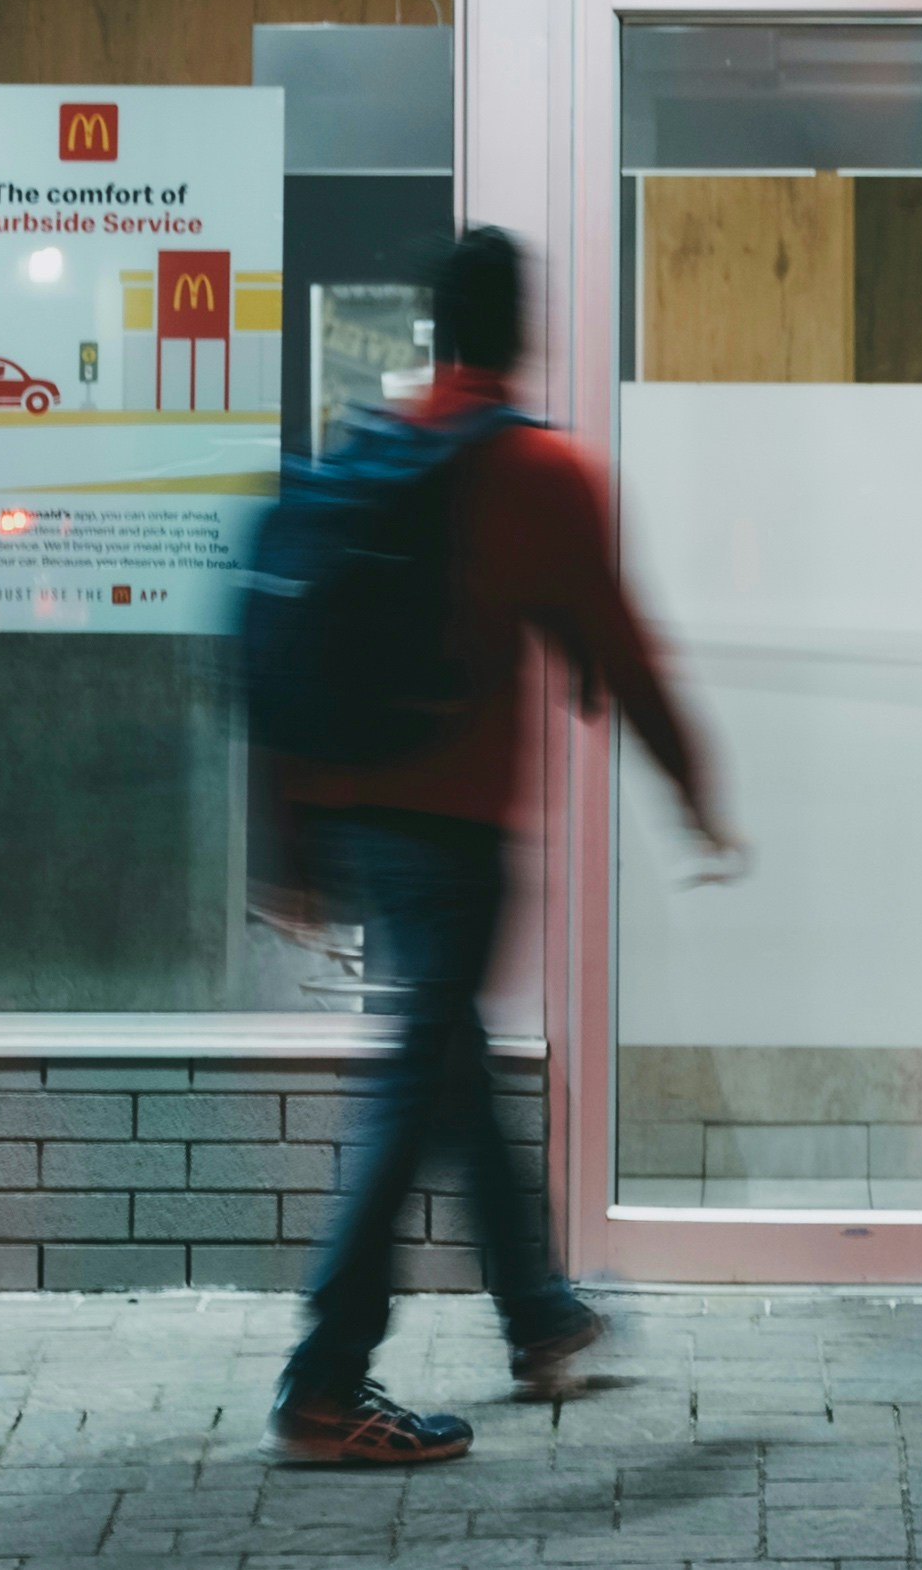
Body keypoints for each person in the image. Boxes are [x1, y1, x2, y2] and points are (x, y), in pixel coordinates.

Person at [262, 223, 733, 1469]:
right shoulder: (536, 472)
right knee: (416, 1082)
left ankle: (538, 1314)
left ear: (436, 329)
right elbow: (623, 655)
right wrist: (697, 791)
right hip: (452, 823)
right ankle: (326, 1380)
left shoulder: (374, 451)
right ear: (524, 329)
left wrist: (290, 838)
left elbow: (302, 635)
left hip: (356, 813)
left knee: (451, 1064)